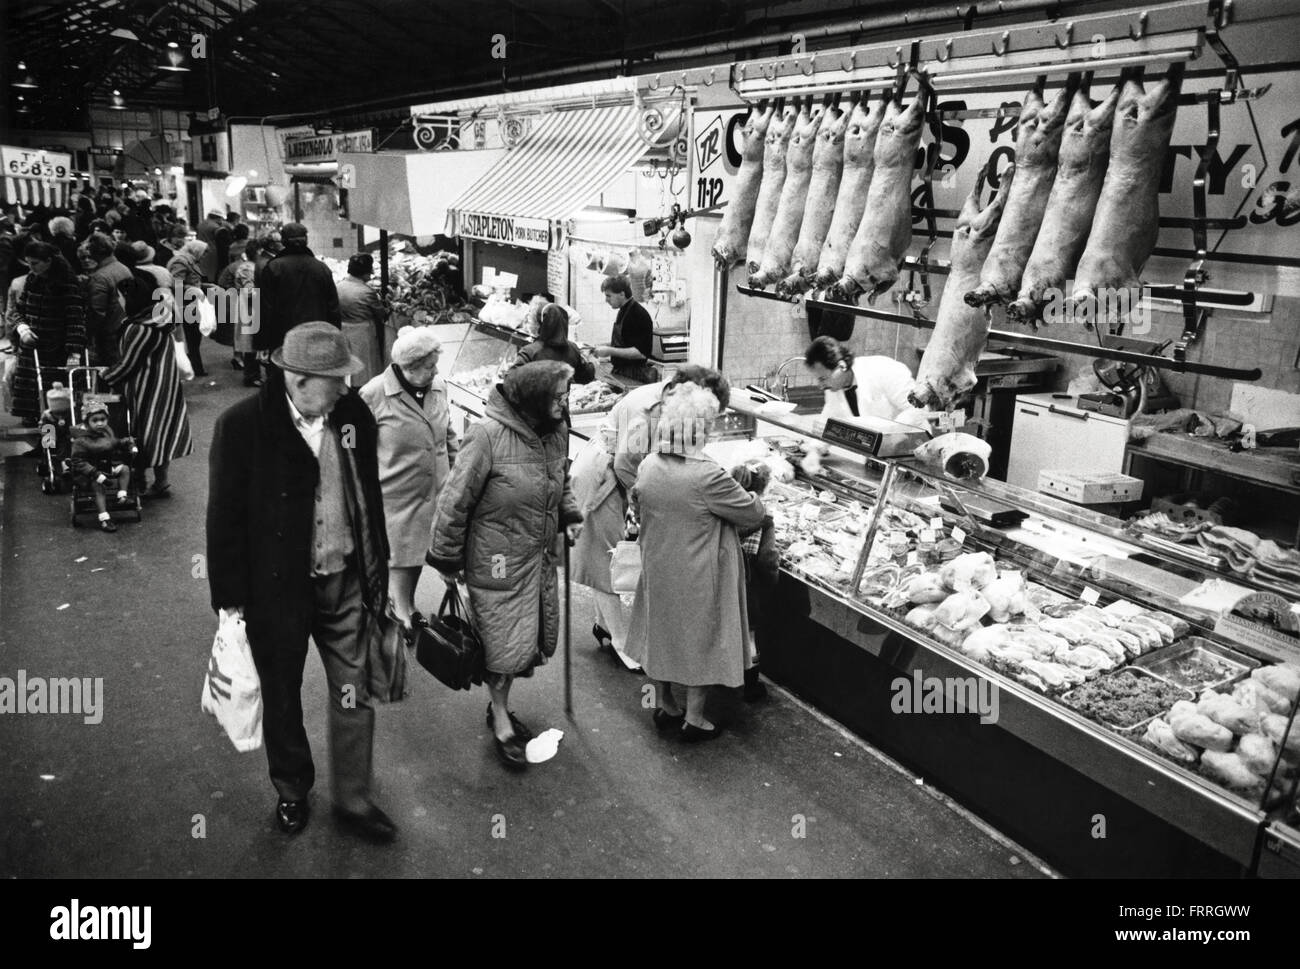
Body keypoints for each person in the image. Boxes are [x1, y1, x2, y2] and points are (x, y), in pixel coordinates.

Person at [206, 321, 397, 843]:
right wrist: (230, 602)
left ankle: (354, 798)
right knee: (283, 695)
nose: (345, 387)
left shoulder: (351, 415)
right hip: (276, 592)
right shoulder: (243, 426)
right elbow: (223, 518)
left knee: (354, 692)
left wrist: (378, 570)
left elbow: (368, 499)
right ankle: (292, 787)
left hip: (346, 585)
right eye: (335, 379)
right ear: (298, 379)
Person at [427, 360, 583, 770]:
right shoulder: (487, 436)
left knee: (524, 643)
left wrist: (570, 515)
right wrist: (446, 557)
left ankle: (499, 704)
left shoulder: (557, 433)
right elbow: (454, 500)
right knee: (503, 647)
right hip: (496, 561)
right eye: (559, 394)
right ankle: (501, 721)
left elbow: (561, 480)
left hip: (538, 558)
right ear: (533, 398)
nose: (566, 401)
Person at [624, 382, 765, 740]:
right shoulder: (707, 475)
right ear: (701, 428)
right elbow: (751, 513)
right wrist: (753, 491)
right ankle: (696, 718)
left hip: (659, 564)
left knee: (663, 633)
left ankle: (666, 704)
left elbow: (639, 506)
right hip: (700, 571)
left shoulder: (650, 465)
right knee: (701, 639)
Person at [568, 365, 730, 671]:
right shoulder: (646, 407)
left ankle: (604, 625)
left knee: (609, 556)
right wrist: (645, 504)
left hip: (615, 476)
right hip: (603, 477)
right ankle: (620, 642)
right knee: (604, 562)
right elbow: (627, 464)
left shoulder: (669, 399)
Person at [359, 326, 458, 636]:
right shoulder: (373, 394)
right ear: (408, 367)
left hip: (435, 487)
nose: (435, 371)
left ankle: (404, 605)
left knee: (418, 553)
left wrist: (458, 470)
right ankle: (401, 612)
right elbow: (352, 446)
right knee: (400, 555)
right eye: (429, 366)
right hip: (395, 492)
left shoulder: (439, 386)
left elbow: (449, 432)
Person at [101, 267, 194, 500]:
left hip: (145, 389)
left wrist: (105, 376)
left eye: (120, 297)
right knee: (161, 434)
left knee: (141, 434)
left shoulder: (139, 328)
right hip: (165, 386)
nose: (118, 302)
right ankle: (161, 482)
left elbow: (129, 364)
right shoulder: (157, 318)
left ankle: (140, 481)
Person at [6, 242, 85, 425]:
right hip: (31, 353)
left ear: (49, 261)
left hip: (55, 354)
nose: (31, 269)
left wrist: (73, 356)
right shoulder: (32, 280)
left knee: (55, 408)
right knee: (39, 408)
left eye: (35, 263)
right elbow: (18, 311)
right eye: (29, 264)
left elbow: (76, 323)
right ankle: (45, 446)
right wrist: (22, 328)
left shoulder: (68, 286)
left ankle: (55, 447)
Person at [255, 223, 340, 360]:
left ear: (283, 242)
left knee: (283, 376)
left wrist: (262, 343)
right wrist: (335, 339)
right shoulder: (322, 268)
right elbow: (333, 308)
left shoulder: (273, 268)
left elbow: (265, 308)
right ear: (306, 241)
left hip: (282, 338)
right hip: (316, 336)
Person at [804, 335, 915, 422]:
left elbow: (916, 410)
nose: (821, 386)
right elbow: (829, 418)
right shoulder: (834, 388)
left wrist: (892, 436)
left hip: (910, 445)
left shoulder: (885, 369)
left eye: (823, 378)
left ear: (842, 366)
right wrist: (815, 448)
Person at [67, 399, 137, 532]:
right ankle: (104, 518)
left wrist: (127, 442)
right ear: (87, 422)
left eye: (103, 419)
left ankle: (122, 496)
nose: (100, 423)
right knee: (99, 487)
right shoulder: (81, 440)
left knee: (125, 469)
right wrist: (95, 473)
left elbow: (114, 443)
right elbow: (77, 462)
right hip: (89, 473)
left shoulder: (105, 432)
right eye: (95, 420)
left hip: (107, 466)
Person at [511, 303, 596, 384]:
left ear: (540, 325)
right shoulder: (573, 349)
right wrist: (591, 363)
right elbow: (585, 377)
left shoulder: (530, 352)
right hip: (562, 398)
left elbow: (512, 380)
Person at [593, 275, 655, 383]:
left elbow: (640, 352)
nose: (606, 300)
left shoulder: (637, 314)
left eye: (609, 296)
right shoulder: (623, 310)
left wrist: (609, 351)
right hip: (621, 371)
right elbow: (625, 342)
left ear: (622, 294)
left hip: (634, 374)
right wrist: (604, 347)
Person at [84, 232, 132, 366]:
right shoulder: (123, 268)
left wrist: (88, 335)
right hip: (125, 327)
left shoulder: (99, 277)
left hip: (110, 333)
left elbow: (97, 312)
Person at [337, 253, 385, 386]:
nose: (370, 276)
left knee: (348, 365)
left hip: (344, 330)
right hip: (363, 333)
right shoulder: (367, 291)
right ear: (364, 273)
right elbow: (381, 314)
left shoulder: (338, 286)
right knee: (365, 366)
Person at [166, 238, 210, 377]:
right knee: (192, 337)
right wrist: (193, 289)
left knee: (193, 337)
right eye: (203, 253)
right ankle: (195, 367)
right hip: (185, 304)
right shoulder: (180, 261)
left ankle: (195, 366)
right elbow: (176, 284)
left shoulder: (188, 260)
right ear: (197, 251)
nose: (204, 257)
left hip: (190, 302)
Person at [195, 209, 230, 282]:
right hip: (211, 252)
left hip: (199, 249)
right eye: (221, 219)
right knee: (211, 271)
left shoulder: (200, 224)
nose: (221, 221)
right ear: (217, 218)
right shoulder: (216, 227)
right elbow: (222, 239)